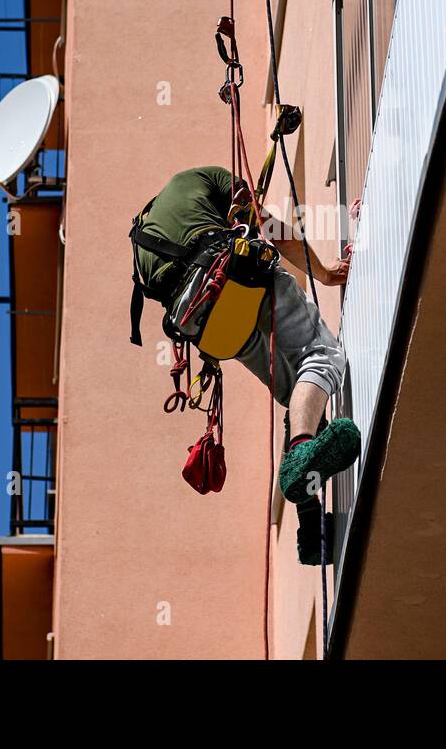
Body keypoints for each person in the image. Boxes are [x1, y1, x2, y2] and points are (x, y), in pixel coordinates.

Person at [129, 165, 360, 564]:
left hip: (204, 325)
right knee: (320, 357)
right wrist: (322, 272)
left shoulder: (143, 237)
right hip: (236, 278)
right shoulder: (210, 179)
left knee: (302, 393)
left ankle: (309, 528)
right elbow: (267, 226)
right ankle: (303, 450)